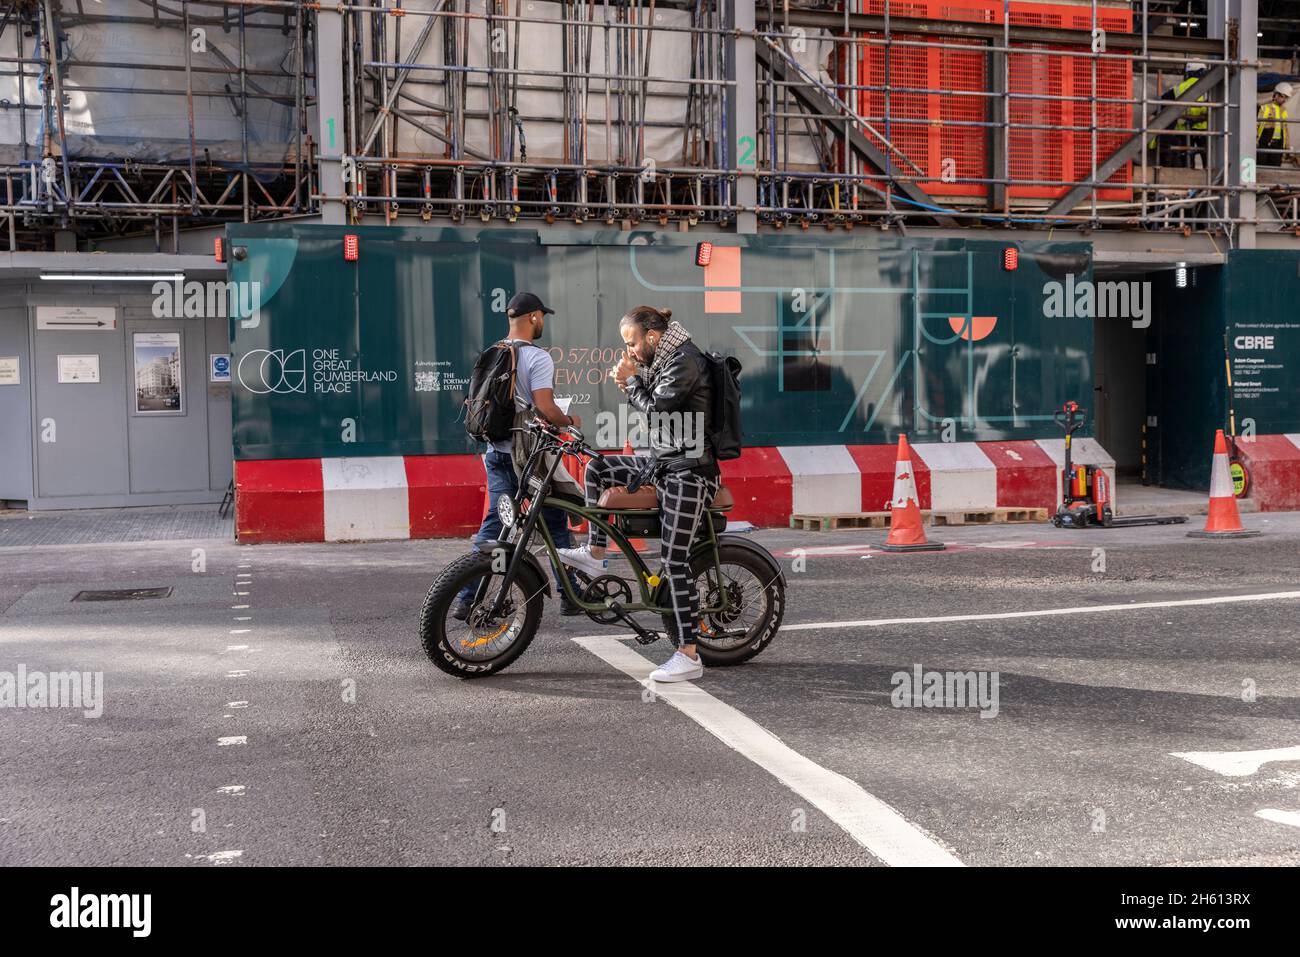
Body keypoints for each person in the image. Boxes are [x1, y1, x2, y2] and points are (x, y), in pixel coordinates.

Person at [555, 306, 720, 683]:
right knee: (598, 468)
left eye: (631, 342)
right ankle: (596, 555)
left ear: (652, 336)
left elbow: (660, 409)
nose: (628, 350)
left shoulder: (686, 360)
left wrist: (631, 382)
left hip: (690, 472)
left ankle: (689, 654)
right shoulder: (664, 359)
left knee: (674, 561)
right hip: (663, 462)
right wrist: (633, 377)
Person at [452, 292, 583, 620]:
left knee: (497, 524)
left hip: (495, 452)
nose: (543, 323)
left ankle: (466, 597)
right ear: (534, 317)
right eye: (543, 317)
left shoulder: (492, 351)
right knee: (557, 522)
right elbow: (545, 407)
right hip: (527, 458)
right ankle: (570, 594)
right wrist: (570, 421)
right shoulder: (538, 357)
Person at [1258, 82, 1292, 167]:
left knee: (1276, 168)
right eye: (1283, 97)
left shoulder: (1284, 110)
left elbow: (1285, 130)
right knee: (1262, 167)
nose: (1284, 100)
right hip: (1264, 142)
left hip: (1278, 144)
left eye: (1286, 98)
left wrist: (1287, 147)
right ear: (1276, 95)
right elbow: (1256, 125)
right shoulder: (1264, 108)